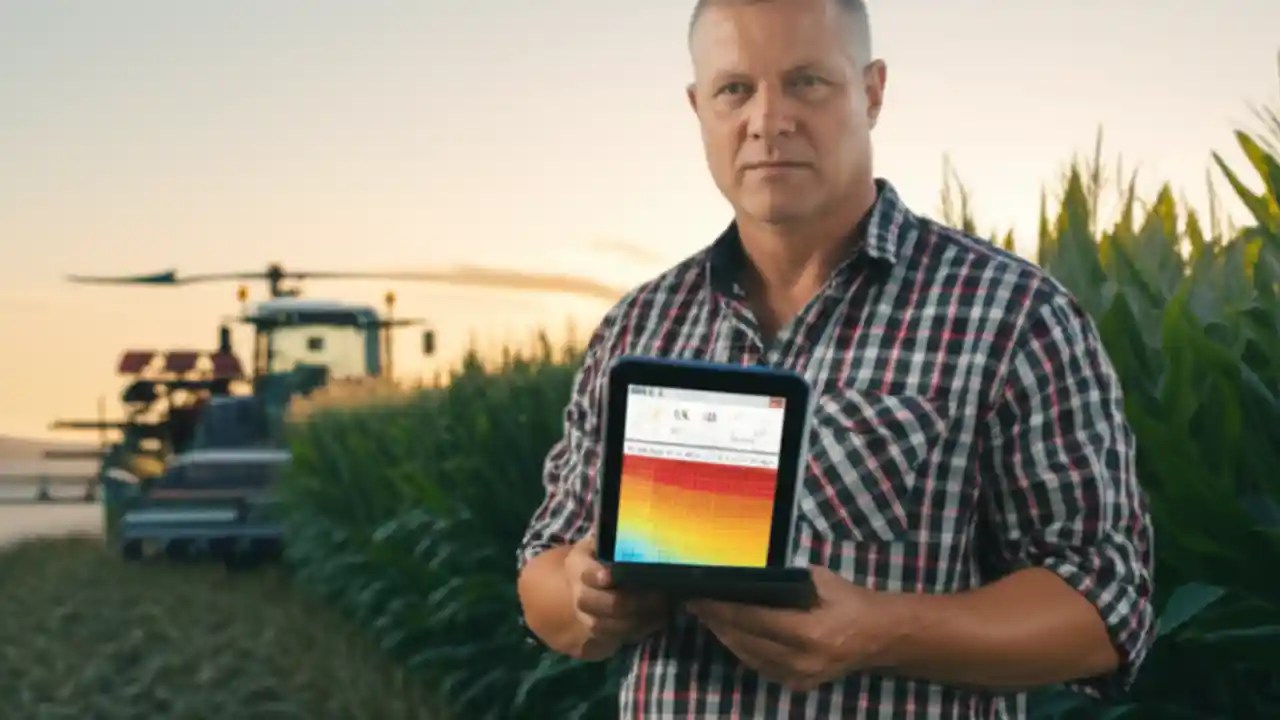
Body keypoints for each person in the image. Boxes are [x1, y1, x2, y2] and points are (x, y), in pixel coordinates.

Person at [515, 0, 1156, 716]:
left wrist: (880, 630)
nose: (768, 120)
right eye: (735, 89)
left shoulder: (1013, 315)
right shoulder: (638, 326)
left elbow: (1104, 605)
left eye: (806, 82)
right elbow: (544, 572)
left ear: (873, 92)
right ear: (699, 107)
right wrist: (585, 595)